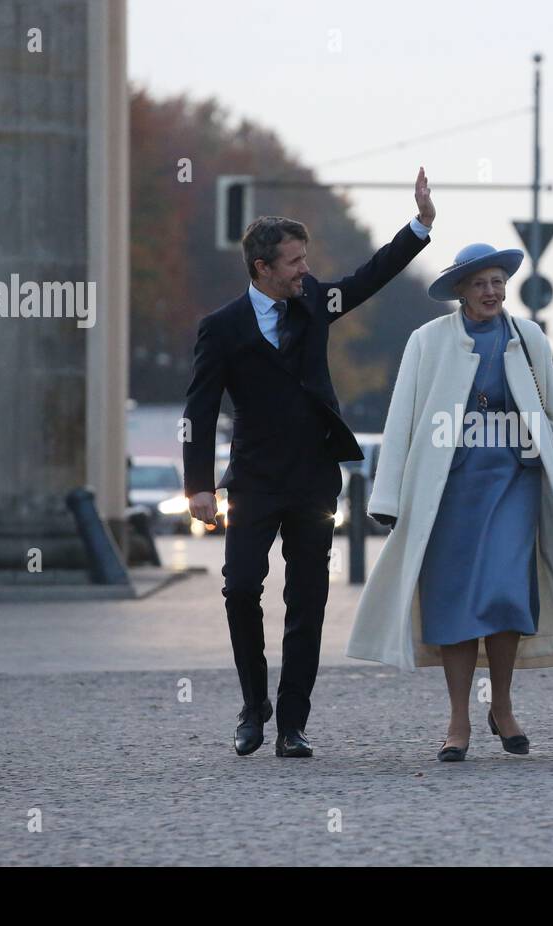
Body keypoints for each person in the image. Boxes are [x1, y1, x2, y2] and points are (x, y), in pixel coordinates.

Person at [182, 168, 436, 758]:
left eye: (305, 258)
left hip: (314, 480)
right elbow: (197, 409)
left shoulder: (317, 302)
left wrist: (419, 227)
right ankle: (254, 706)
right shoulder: (221, 329)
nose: (305, 269)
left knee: (308, 601)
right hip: (252, 482)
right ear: (261, 269)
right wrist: (197, 487)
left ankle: (293, 723)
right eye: (293, 261)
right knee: (241, 588)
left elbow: (370, 277)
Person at [347, 242, 553, 761]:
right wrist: (387, 497)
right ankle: (458, 721)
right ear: (460, 291)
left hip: (513, 484)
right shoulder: (427, 342)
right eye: (480, 283)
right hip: (448, 490)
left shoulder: (530, 338)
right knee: (452, 602)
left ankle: (502, 705)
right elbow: (401, 419)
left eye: (498, 281)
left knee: (505, 597)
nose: (492, 291)